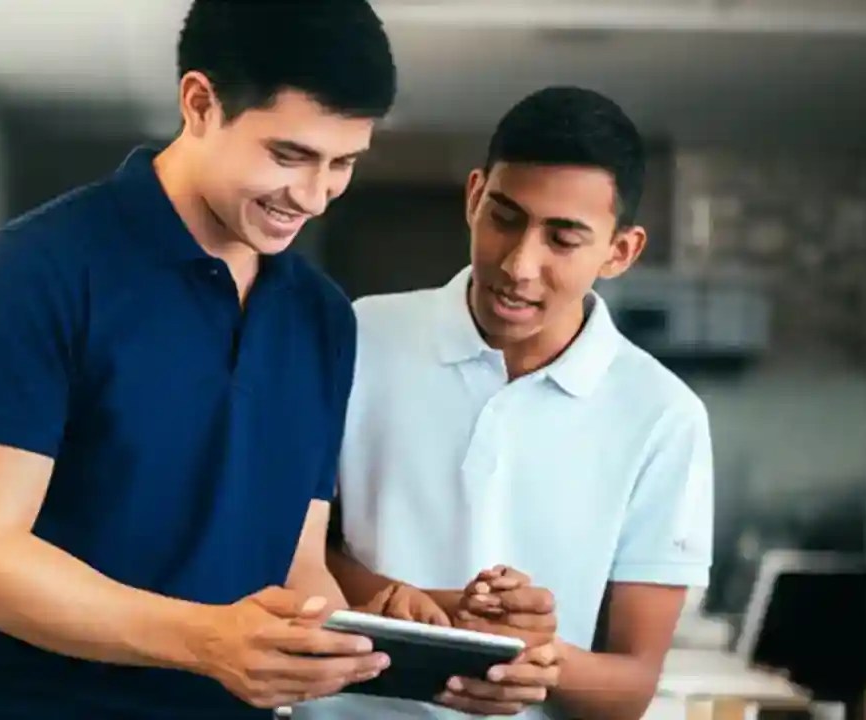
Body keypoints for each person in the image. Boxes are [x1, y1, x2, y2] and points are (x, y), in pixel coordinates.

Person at [0, 1, 397, 717]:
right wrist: (203, 639)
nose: (314, 196)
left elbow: (297, 563)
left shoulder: (322, 317)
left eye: (343, 164)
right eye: (289, 155)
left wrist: (420, 647)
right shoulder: (38, 269)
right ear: (200, 103)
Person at [298, 86, 715, 719]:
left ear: (620, 251)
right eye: (506, 217)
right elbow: (289, 545)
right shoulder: (359, 338)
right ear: (473, 198)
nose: (520, 264)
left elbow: (632, 686)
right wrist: (390, 596)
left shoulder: (664, 416)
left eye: (564, 238)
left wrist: (540, 659)